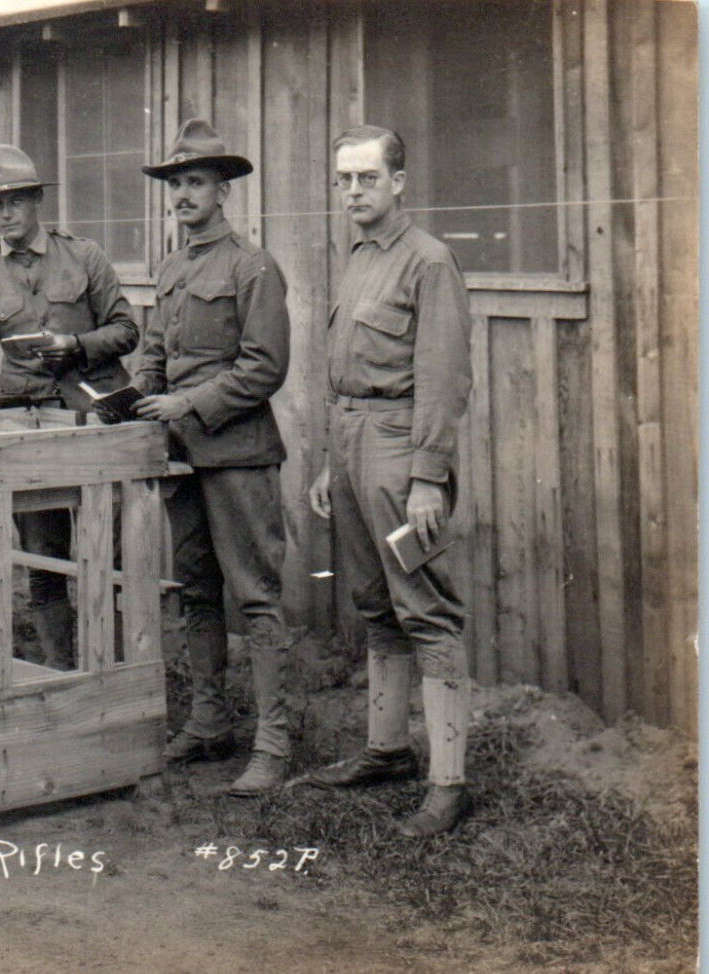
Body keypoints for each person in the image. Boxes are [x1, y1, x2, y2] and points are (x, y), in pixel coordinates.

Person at [302, 126, 473, 836]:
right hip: (351, 443)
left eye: (366, 178)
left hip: (400, 449)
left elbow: (443, 378)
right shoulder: (359, 257)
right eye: (343, 180)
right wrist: (329, 461)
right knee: (375, 603)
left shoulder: (428, 262)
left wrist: (428, 478)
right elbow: (346, 371)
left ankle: (448, 783)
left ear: (398, 182)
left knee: (423, 606)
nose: (353, 192)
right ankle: (387, 750)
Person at [125, 120, 292, 796]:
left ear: (223, 191)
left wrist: (188, 404)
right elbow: (156, 352)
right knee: (196, 589)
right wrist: (140, 394)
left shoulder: (252, 266)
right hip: (182, 456)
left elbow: (265, 367)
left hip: (238, 454)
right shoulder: (171, 267)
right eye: (176, 184)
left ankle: (273, 742)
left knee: (255, 596)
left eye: (195, 182)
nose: (183, 195)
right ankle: (208, 720)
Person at [0, 144, 140, 669]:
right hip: (31, 427)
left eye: (15, 202)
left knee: (107, 558)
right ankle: (59, 674)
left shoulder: (85, 256)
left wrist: (78, 346)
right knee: (43, 561)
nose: (4, 215)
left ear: (36, 201)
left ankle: (113, 672)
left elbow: (126, 330)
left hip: (95, 421)